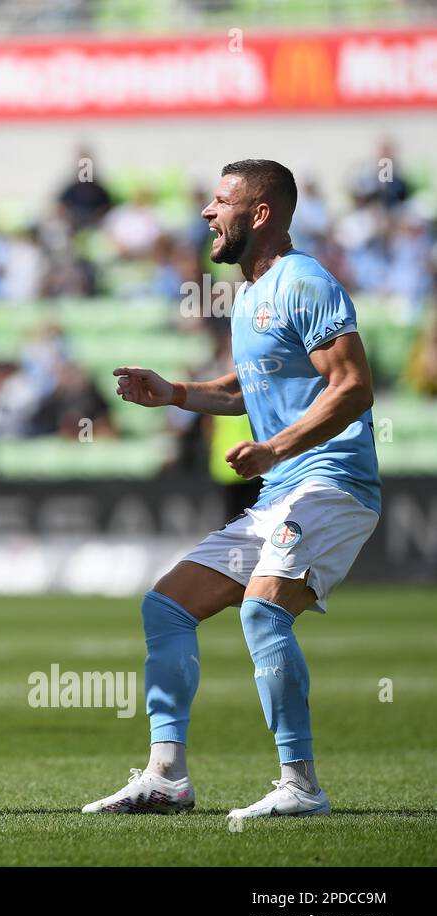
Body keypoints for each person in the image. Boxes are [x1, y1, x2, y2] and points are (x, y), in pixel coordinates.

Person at [85, 160, 381, 820]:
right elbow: (248, 387)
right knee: (166, 607)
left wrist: (276, 446)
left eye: (222, 202)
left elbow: (354, 385)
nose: (206, 213)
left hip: (332, 483)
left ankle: (301, 785)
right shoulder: (248, 294)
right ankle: (166, 777)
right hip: (285, 491)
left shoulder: (305, 282)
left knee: (262, 608)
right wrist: (175, 393)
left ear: (262, 213)